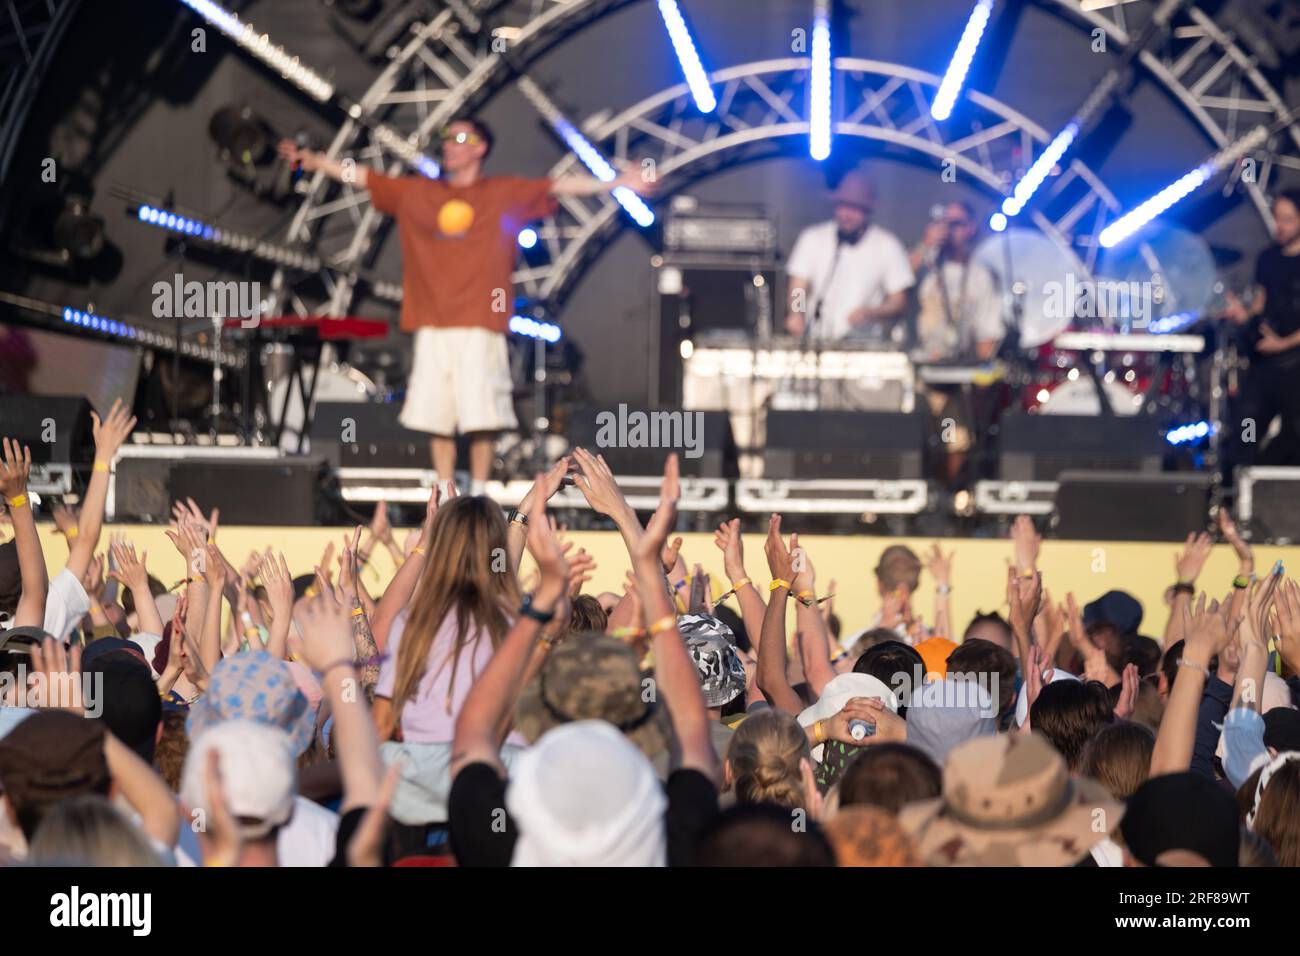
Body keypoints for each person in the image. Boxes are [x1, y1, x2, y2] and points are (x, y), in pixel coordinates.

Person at [278, 119, 657, 494]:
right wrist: (317, 162)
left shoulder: (502, 192)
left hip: (481, 323)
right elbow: (362, 177)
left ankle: (478, 491)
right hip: (432, 322)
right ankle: (445, 494)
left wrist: (618, 182)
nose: (450, 144)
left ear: (480, 147)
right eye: (446, 138)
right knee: (435, 416)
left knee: (484, 414)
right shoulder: (418, 193)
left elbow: (558, 185)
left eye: (460, 137)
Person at [783, 168, 914, 342]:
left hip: (864, 344)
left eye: (854, 208)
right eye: (842, 206)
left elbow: (898, 301)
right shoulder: (813, 238)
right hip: (816, 340)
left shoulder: (887, 245)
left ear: (867, 210)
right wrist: (796, 313)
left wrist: (871, 312)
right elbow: (798, 287)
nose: (846, 214)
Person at [1221, 188, 1300, 467]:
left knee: (1294, 435)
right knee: (1247, 428)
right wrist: (1243, 314)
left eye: (1288, 219)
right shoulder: (1268, 258)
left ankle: (1268, 482)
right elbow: (1261, 301)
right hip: (1265, 366)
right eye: (1278, 218)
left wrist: (1285, 342)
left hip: (1295, 366)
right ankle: (1239, 486)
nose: (1280, 226)